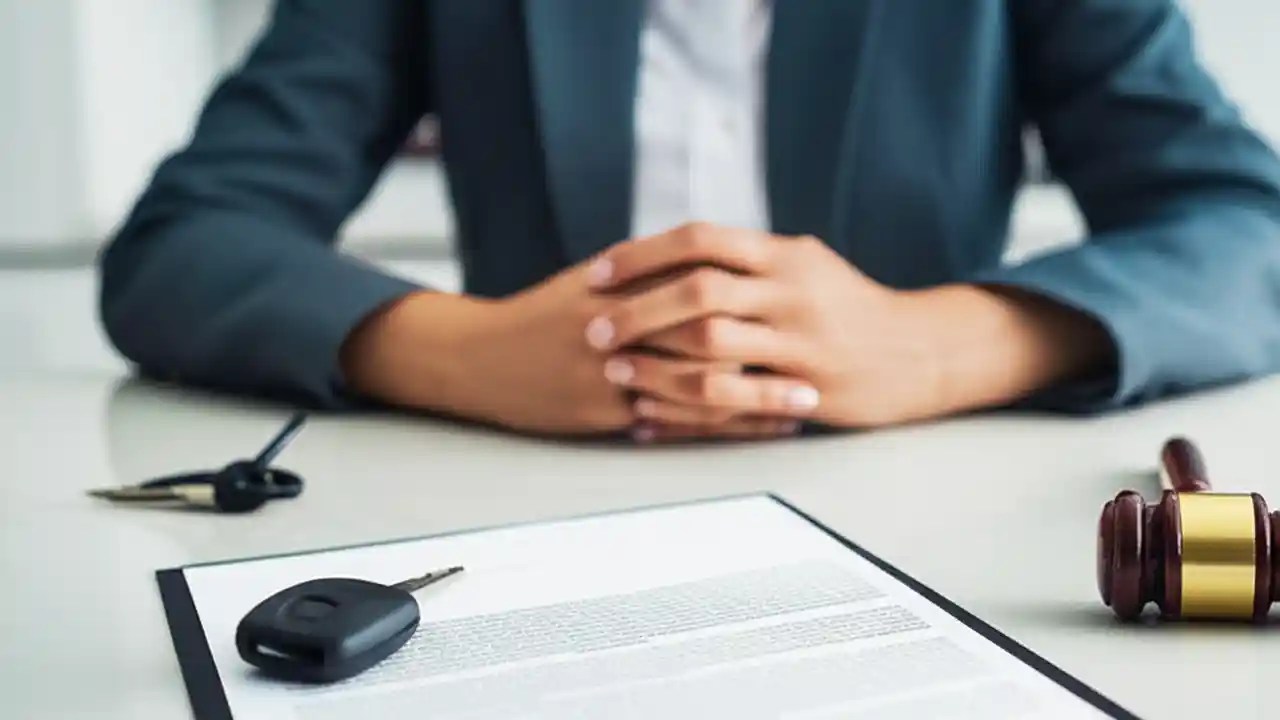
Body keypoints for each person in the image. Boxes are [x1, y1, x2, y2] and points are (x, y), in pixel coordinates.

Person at [99, 1, 1280, 443]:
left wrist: (939, 344)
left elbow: (1244, 225)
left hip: (928, 508)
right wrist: (460, 352)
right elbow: (186, 239)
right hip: (514, 514)